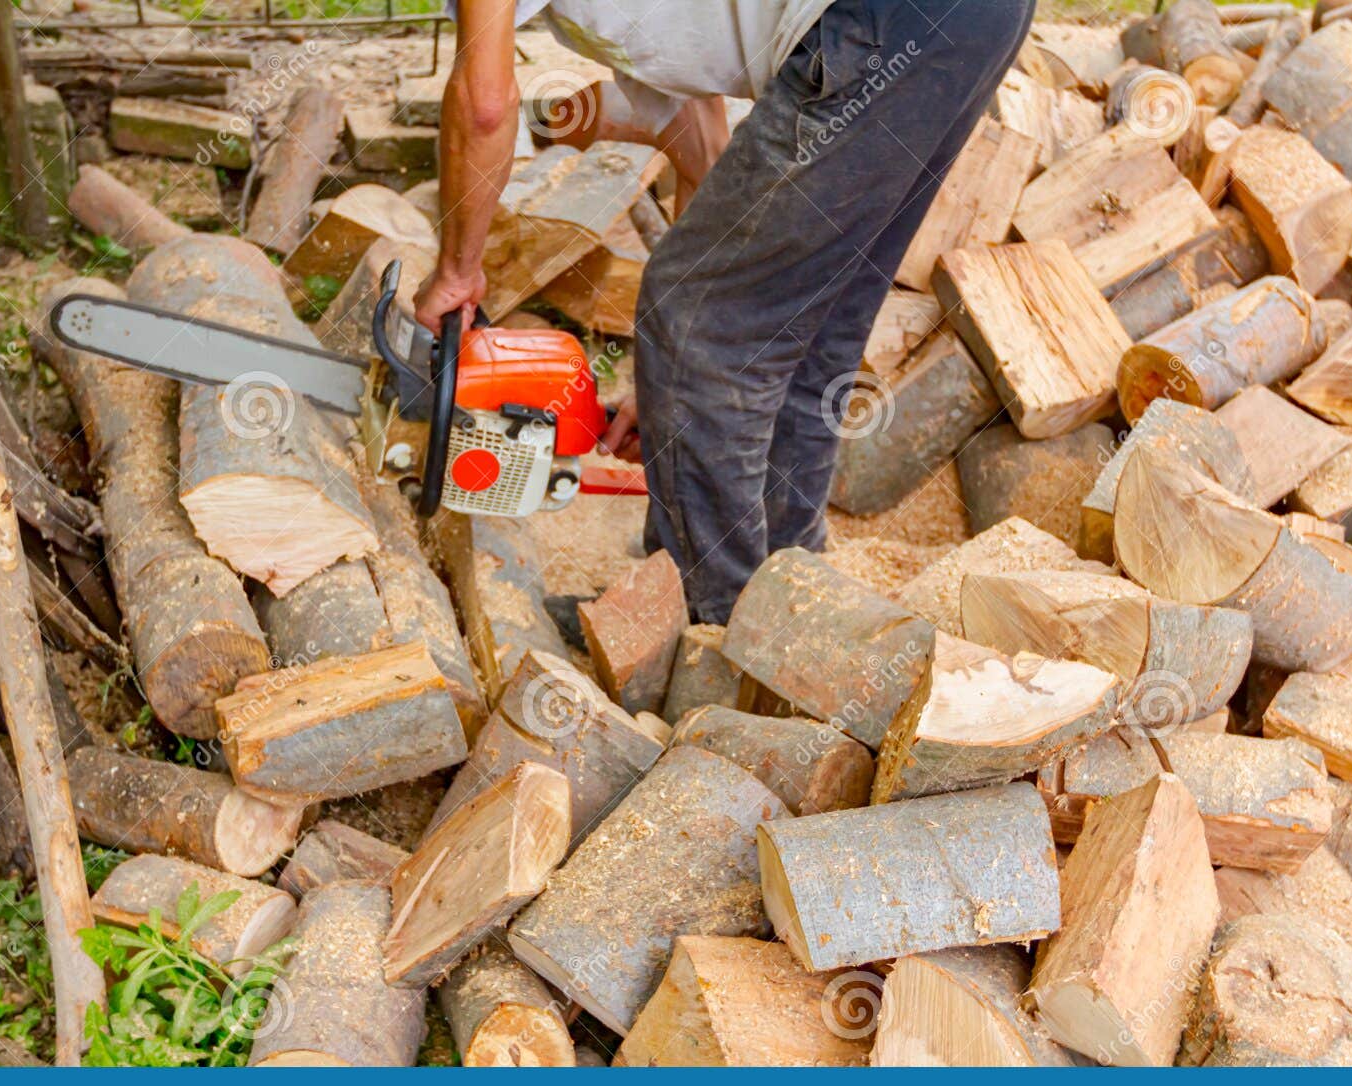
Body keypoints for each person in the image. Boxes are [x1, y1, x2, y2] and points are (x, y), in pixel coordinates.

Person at [414, 0, 1036, 623]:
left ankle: (713, 638)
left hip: (883, 24)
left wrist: (457, 274)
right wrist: (673, 388)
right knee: (809, 332)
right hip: (973, 22)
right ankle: (788, 607)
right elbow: (705, 156)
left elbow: (485, 104)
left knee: (698, 323)